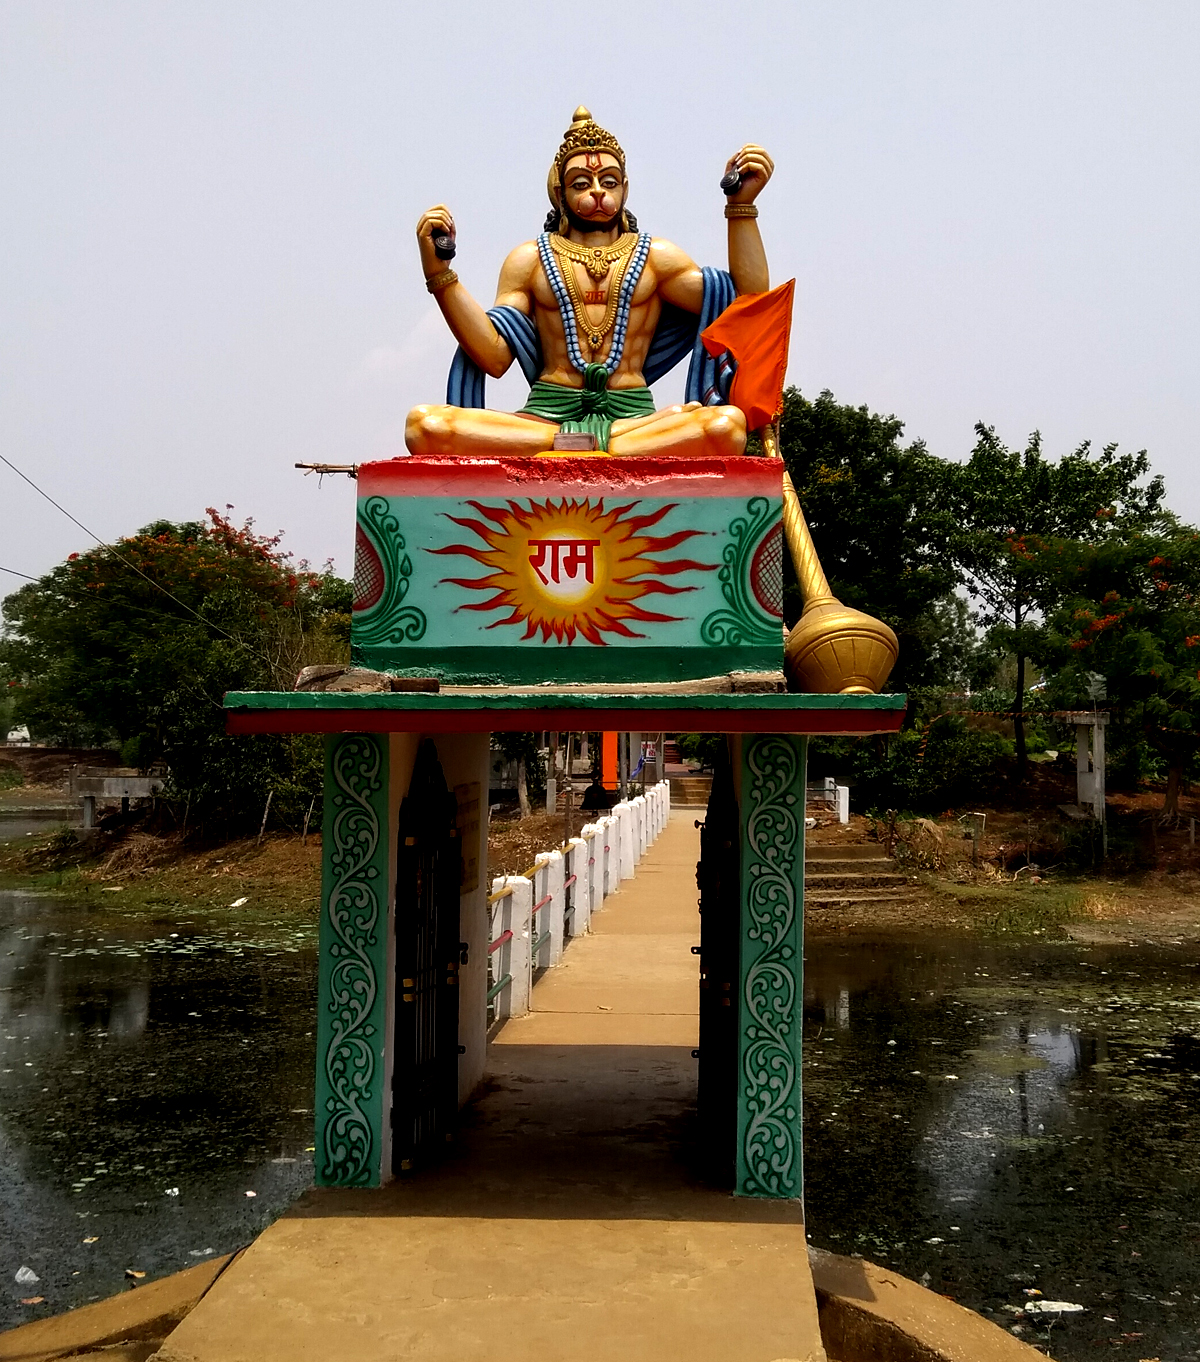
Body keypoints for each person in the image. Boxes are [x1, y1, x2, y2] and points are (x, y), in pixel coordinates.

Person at [406, 107, 774, 458]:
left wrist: (741, 209)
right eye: (582, 182)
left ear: (624, 188)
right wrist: (440, 276)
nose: (597, 190)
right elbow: (494, 355)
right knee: (425, 425)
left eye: (609, 181)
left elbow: (746, 305)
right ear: (560, 193)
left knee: (726, 425)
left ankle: (584, 448)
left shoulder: (655, 258)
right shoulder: (530, 259)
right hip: (546, 418)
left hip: (633, 421)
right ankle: (593, 447)